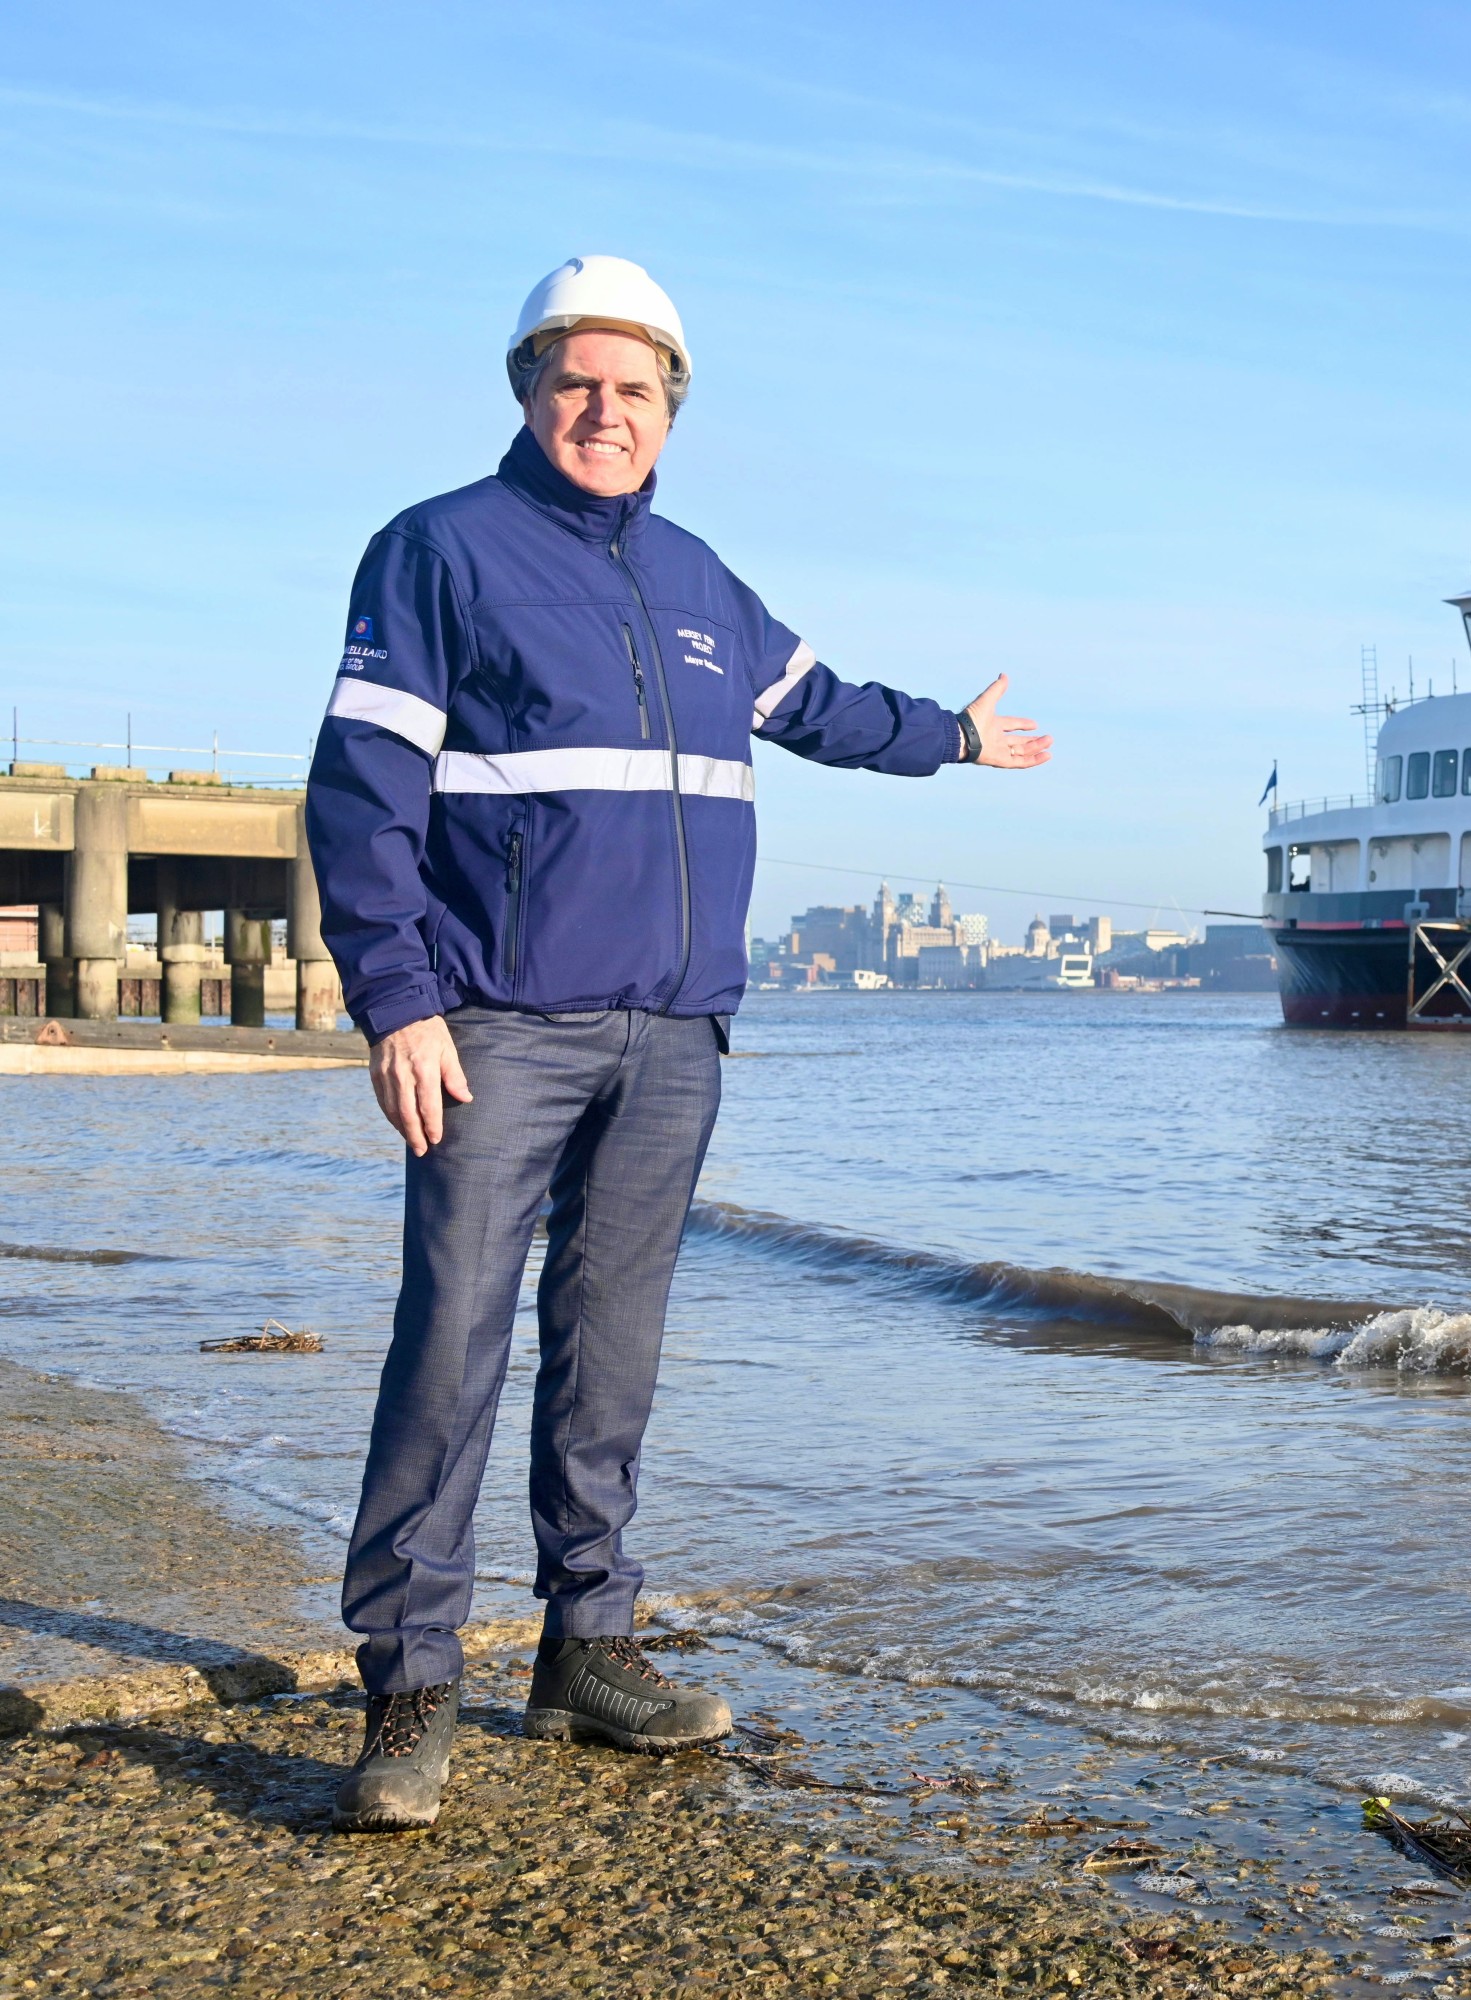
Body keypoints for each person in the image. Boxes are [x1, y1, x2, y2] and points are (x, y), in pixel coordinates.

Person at [305, 256, 1049, 1832]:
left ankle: (589, 1649)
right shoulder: (438, 552)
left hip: (678, 1030)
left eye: (636, 389)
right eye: (578, 381)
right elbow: (362, 794)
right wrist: (399, 1002)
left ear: (671, 412)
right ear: (526, 388)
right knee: (451, 1343)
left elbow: (824, 704)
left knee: (615, 1350)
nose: (606, 410)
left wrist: (963, 738)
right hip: (497, 1020)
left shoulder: (704, 581)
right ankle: (410, 1689)